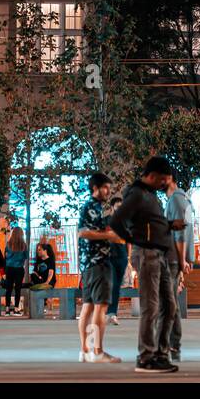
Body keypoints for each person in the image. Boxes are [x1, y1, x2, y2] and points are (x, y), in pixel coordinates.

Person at [110, 156, 182, 375]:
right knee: (151, 307)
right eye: (161, 180)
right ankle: (146, 357)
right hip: (148, 254)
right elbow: (117, 221)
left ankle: (160, 354)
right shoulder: (136, 194)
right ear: (151, 176)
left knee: (169, 306)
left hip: (159, 254)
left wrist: (168, 225)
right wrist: (134, 240)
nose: (164, 184)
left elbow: (150, 222)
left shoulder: (149, 195)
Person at [77, 173, 123, 363]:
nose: (108, 191)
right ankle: (97, 351)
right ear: (95, 188)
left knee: (87, 307)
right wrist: (109, 237)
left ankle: (85, 351)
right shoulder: (92, 208)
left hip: (88, 264)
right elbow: (84, 233)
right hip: (98, 263)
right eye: (105, 187)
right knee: (100, 308)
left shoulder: (92, 208)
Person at [159, 170, 195, 362]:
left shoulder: (176, 200)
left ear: (169, 178)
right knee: (171, 304)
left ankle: (172, 345)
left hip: (173, 258)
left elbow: (181, 233)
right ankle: (172, 346)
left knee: (169, 304)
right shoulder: (182, 199)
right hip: (175, 257)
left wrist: (183, 260)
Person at [105, 197, 129, 326]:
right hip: (109, 257)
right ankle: (107, 312)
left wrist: (129, 258)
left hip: (122, 257)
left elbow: (128, 241)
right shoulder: (107, 221)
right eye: (117, 206)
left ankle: (112, 313)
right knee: (111, 284)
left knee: (117, 286)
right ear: (112, 207)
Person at [2, 226, 28, 315]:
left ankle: (7, 309)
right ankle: (16, 309)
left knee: (8, 289)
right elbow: (25, 257)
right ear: (21, 234)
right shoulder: (23, 245)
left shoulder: (8, 244)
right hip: (19, 269)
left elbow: (5, 257)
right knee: (18, 289)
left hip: (9, 268)